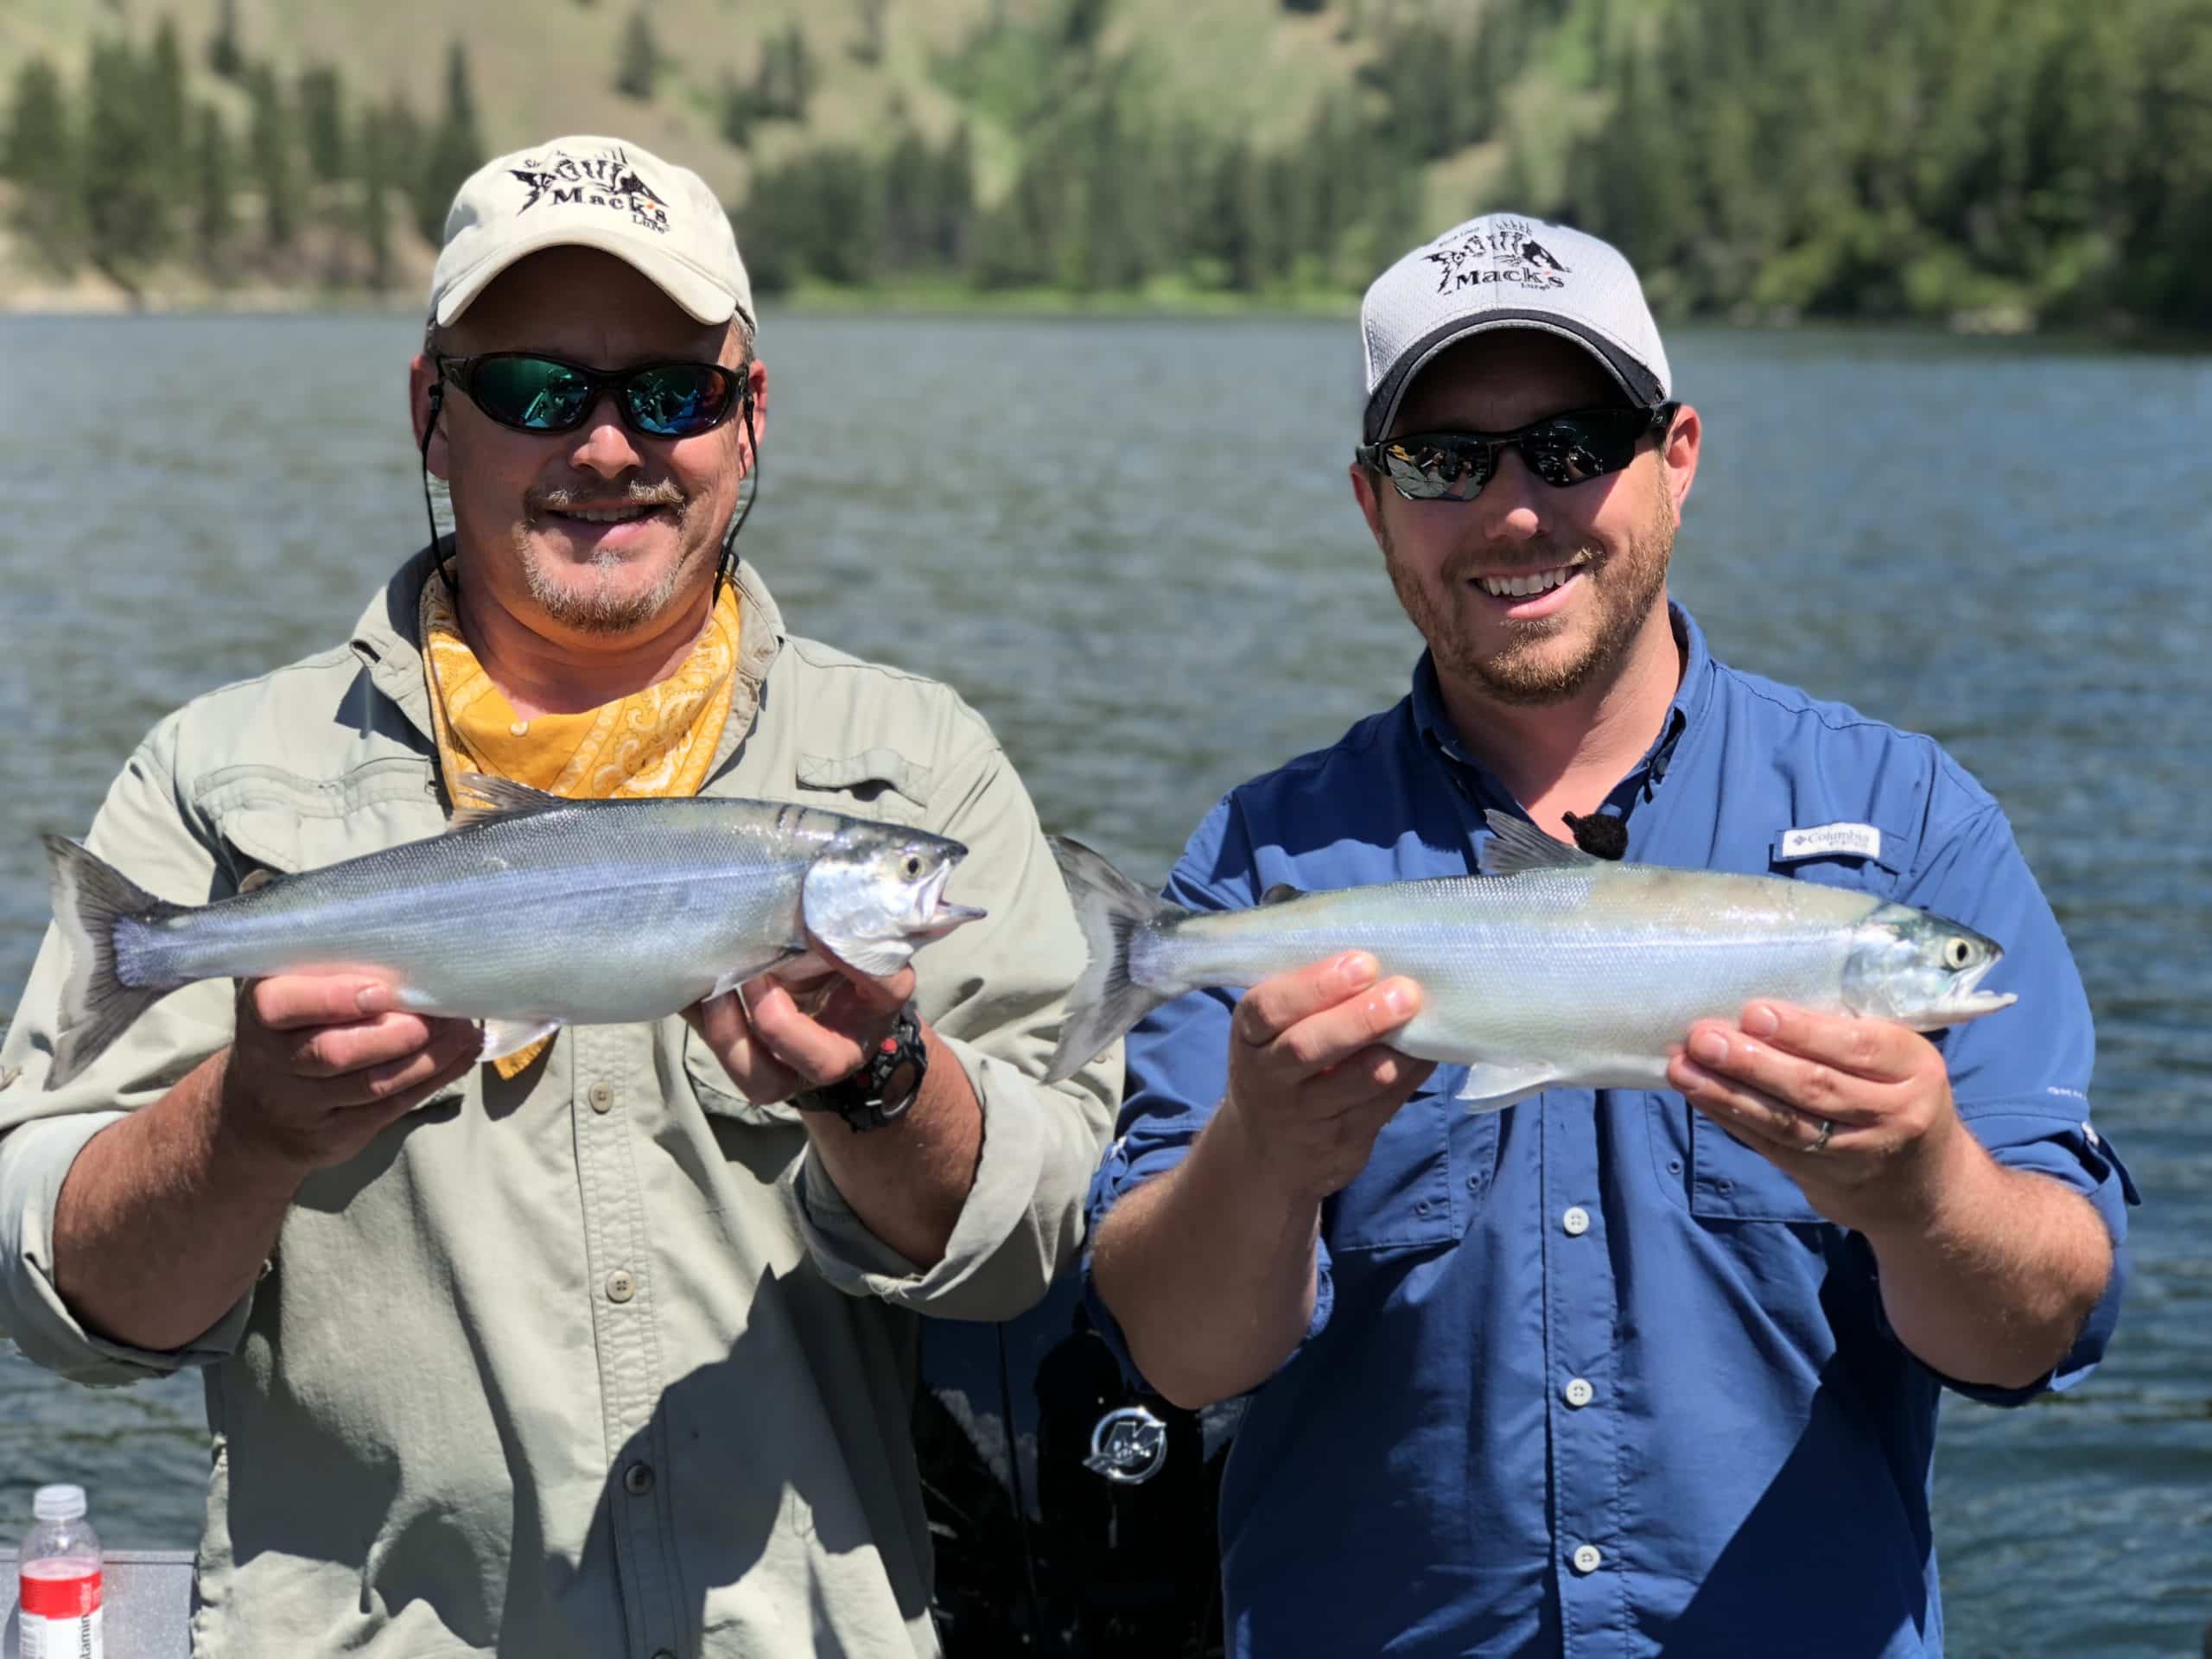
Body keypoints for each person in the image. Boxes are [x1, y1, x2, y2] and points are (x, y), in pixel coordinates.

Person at [0, 135, 1116, 1656]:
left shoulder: (920, 764)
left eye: (671, 392)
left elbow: (1045, 1240)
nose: (604, 447)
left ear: (749, 417)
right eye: (534, 390)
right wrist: (245, 1127)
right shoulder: (217, 776)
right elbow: (63, 1302)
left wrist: (884, 1093)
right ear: (431, 414)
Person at [1083, 213, 2138, 1657]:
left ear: (1677, 458)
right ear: (1373, 502)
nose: (1516, 512)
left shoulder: (1910, 819)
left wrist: (1924, 1189)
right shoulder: (1263, 858)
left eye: (1572, 447)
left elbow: (2041, 1333)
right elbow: (1180, 1357)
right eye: (1446, 462)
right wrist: (1264, 1159)